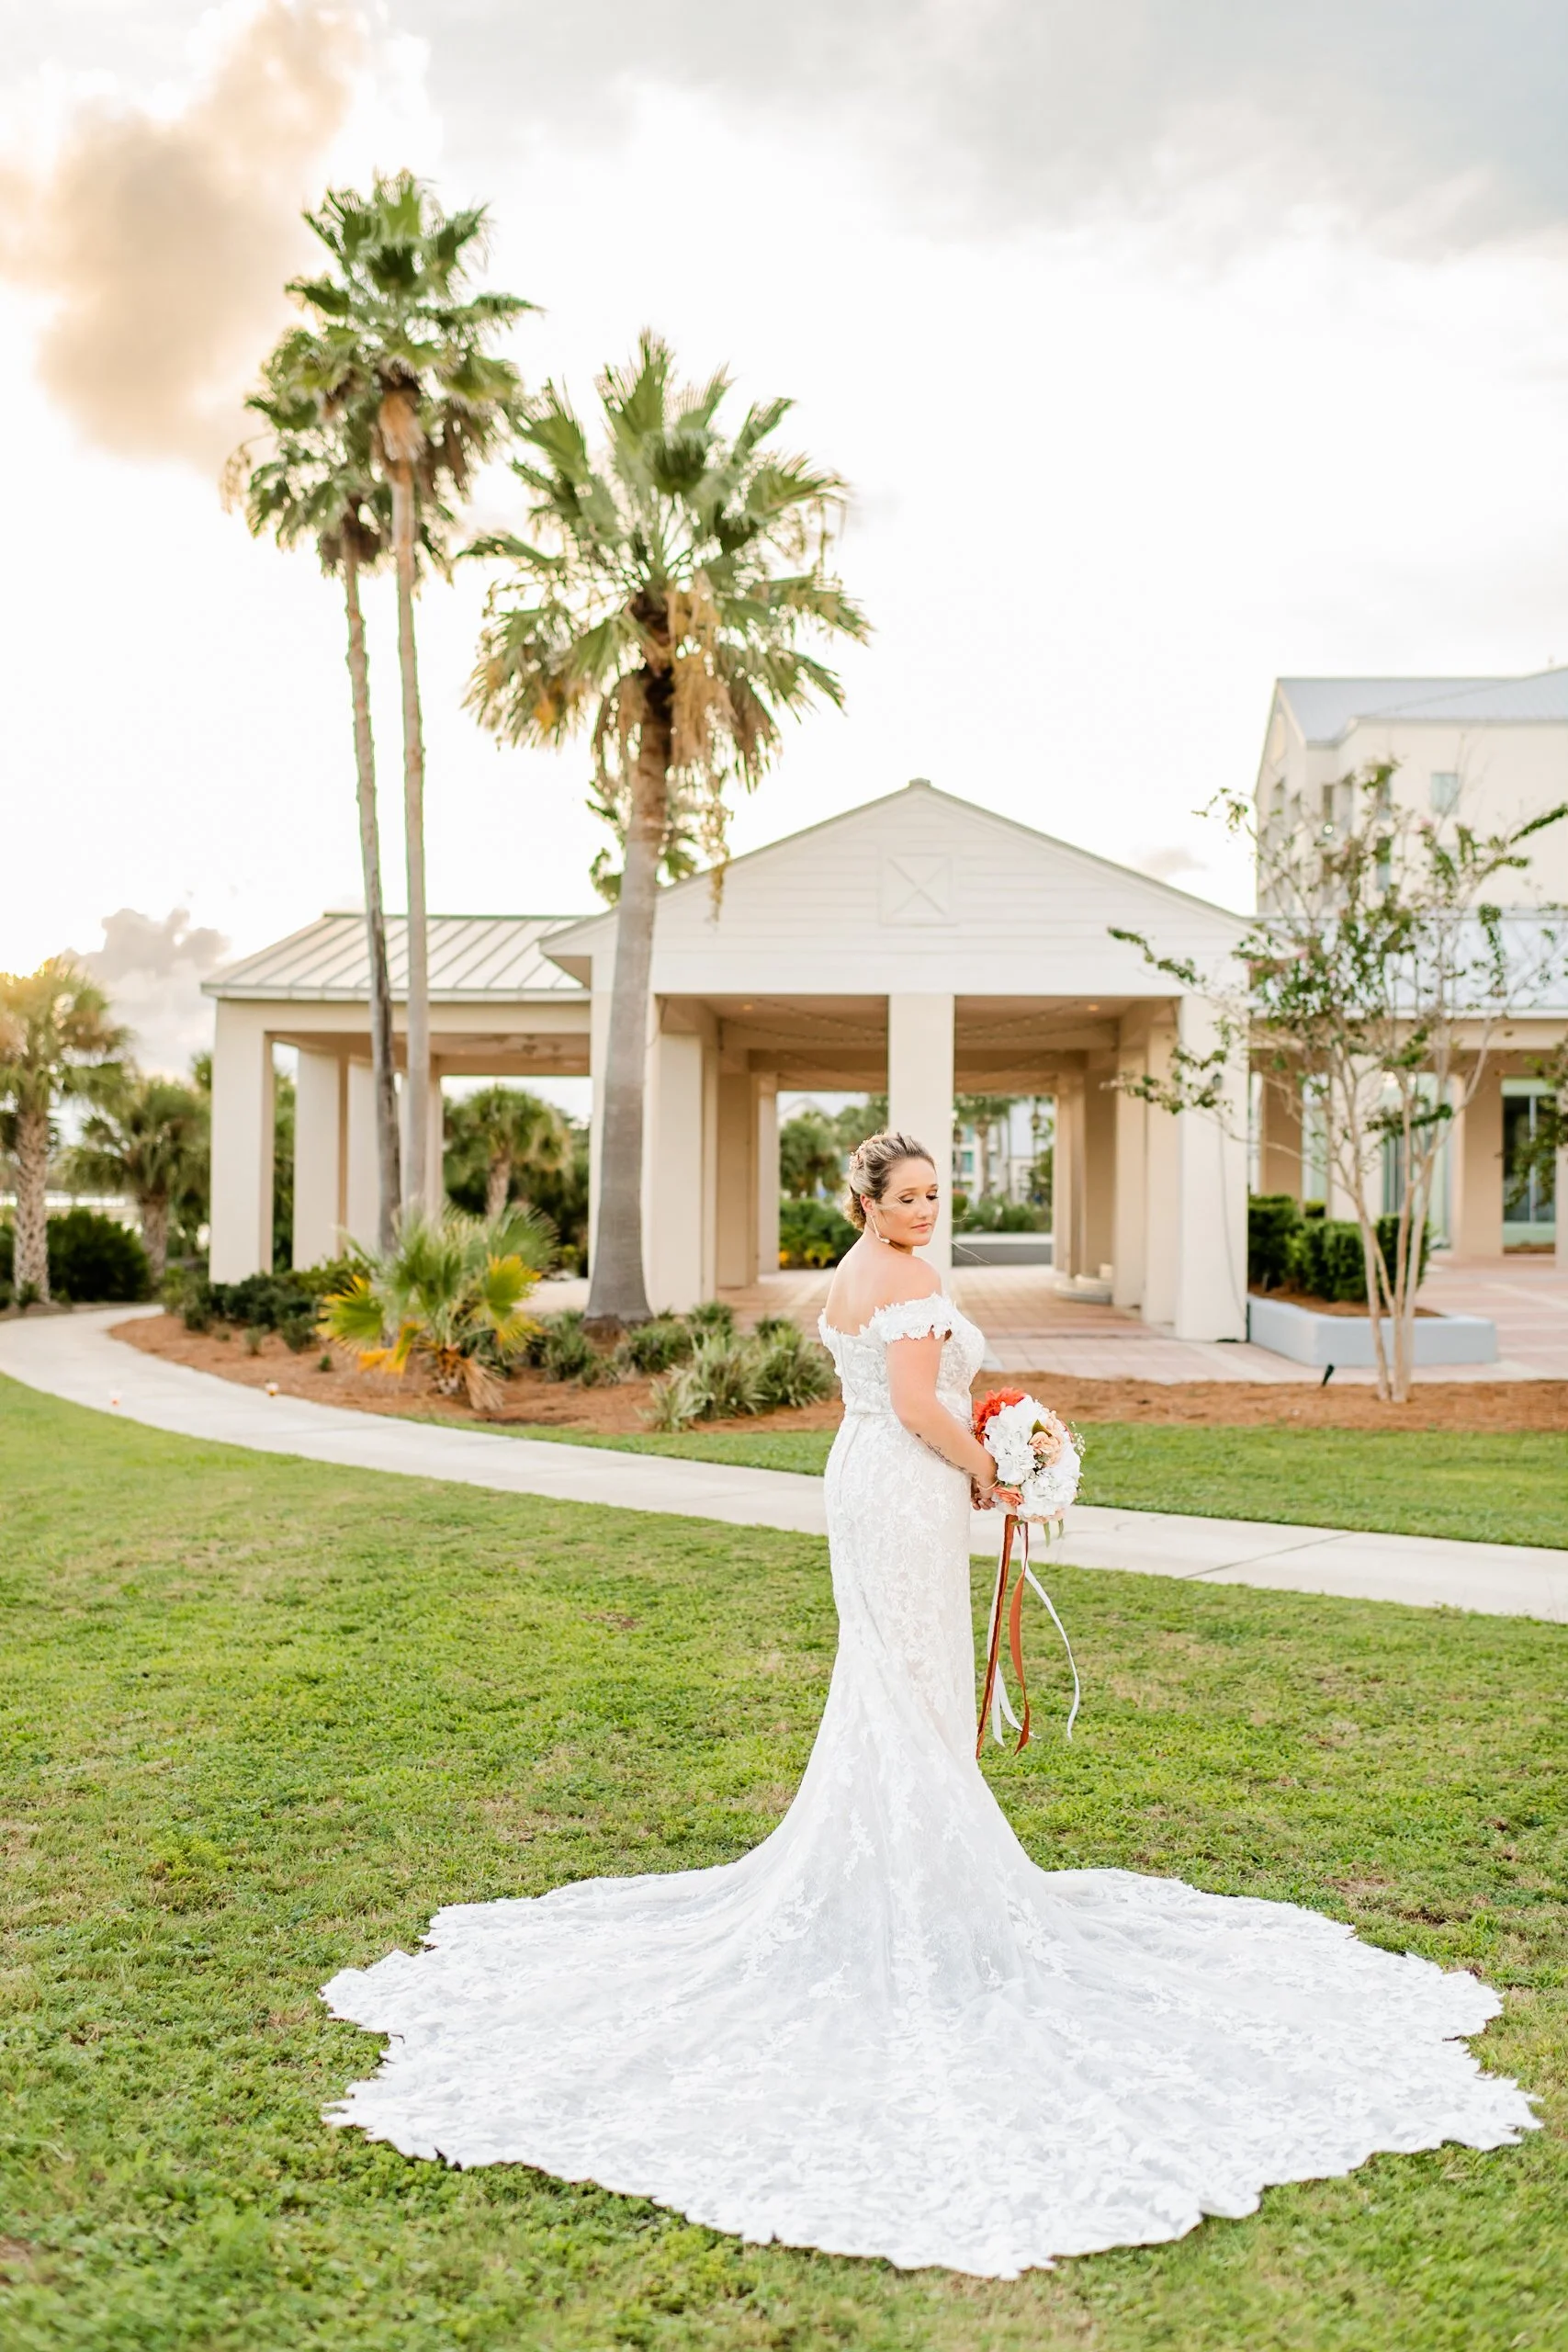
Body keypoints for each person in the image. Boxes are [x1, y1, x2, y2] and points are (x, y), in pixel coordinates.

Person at [321, 1131, 1535, 2277]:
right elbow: (914, 1405)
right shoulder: (892, 1276)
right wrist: (1001, 1474)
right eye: (904, 1193)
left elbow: (900, 1400)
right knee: (906, 1683)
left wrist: (984, 1455)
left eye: (930, 1192)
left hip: (871, 1481)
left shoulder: (864, 1270)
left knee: (895, 1683)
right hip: (897, 1480)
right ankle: (910, 1890)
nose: (921, 1207)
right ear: (861, 1200)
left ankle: (895, 1871)